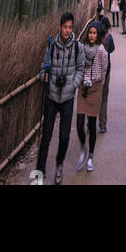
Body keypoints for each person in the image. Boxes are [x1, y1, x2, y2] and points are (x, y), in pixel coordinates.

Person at [35, 12, 84, 184]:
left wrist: (72, 85)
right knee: (45, 138)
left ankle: (59, 166)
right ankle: (38, 176)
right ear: (60, 27)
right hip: (51, 97)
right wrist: (44, 77)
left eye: (70, 27)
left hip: (68, 99)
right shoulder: (52, 46)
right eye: (65, 27)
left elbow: (80, 70)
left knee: (64, 137)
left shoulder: (78, 47)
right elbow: (42, 69)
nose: (67, 30)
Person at [75, 23, 107, 172]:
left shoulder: (101, 50)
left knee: (92, 125)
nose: (92, 35)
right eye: (90, 33)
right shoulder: (81, 48)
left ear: (98, 34)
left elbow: (104, 68)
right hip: (83, 89)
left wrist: (100, 86)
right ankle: (83, 148)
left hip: (95, 89)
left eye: (94, 33)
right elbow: (78, 65)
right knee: (80, 123)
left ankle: (90, 158)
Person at [97, 16, 115, 134]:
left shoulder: (95, 36)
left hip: (95, 71)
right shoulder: (109, 37)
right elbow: (112, 49)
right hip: (106, 70)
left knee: (93, 98)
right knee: (103, 99)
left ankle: (90, 124)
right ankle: (102, 125)